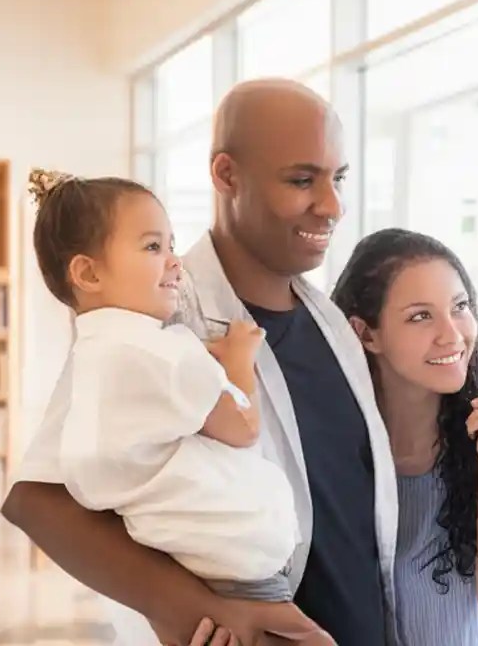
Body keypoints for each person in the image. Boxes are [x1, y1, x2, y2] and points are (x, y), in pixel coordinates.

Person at [1, 78, 478, 646]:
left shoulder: (331, 323)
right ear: (227, 176)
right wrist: (193, 609)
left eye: (337, 179)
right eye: (301, 180)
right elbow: (39, 500)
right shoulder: (156, 316)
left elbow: (410, 376)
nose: (332, 206)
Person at [23, 168, 309, 614]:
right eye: (153, 247)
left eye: (172, 245)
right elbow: (243, 427)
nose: (176, 262)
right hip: (240, 569)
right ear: (89, 273)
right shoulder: (161, 352)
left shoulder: (94, 358)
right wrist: (239, 358)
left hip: (188, 562)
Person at [331, 228, 478, 646]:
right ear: (365, 334)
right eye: (420, 316)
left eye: (459, 307)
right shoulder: (333, 457)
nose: (452, 334)